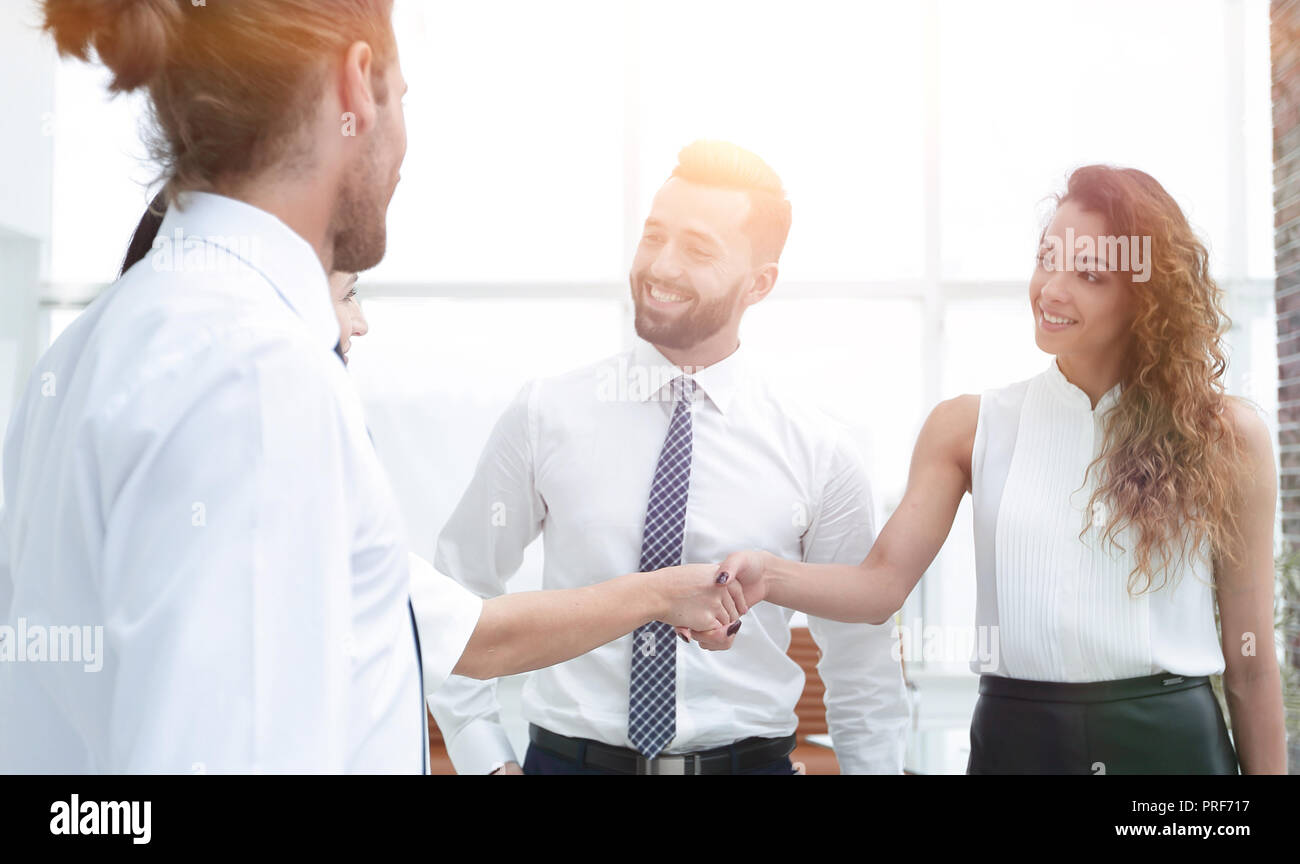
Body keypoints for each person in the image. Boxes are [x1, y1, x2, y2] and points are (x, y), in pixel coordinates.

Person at [0, 0, 745, 773]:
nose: (402, 153)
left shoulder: (92, 345)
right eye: (405, 101)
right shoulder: (257, 377)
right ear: (358, 86)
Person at [707, 165, 1288, 774]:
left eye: (1089, 274)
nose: (1052, 289)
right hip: (1018, 745)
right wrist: (769, 575)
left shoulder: (1224, 434)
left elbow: (1249, 662)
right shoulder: (966, 427)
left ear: (1146, 296)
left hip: (1172, 753)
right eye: (1047, 259)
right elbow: (880, 587)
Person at [427, 140, 909, 775]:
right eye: (653, 236)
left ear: (759, 284)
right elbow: (454, 593)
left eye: (698, 249)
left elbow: (861, 664)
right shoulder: (547, 414)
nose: (660, 265)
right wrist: (485, 758)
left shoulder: (819, 451)